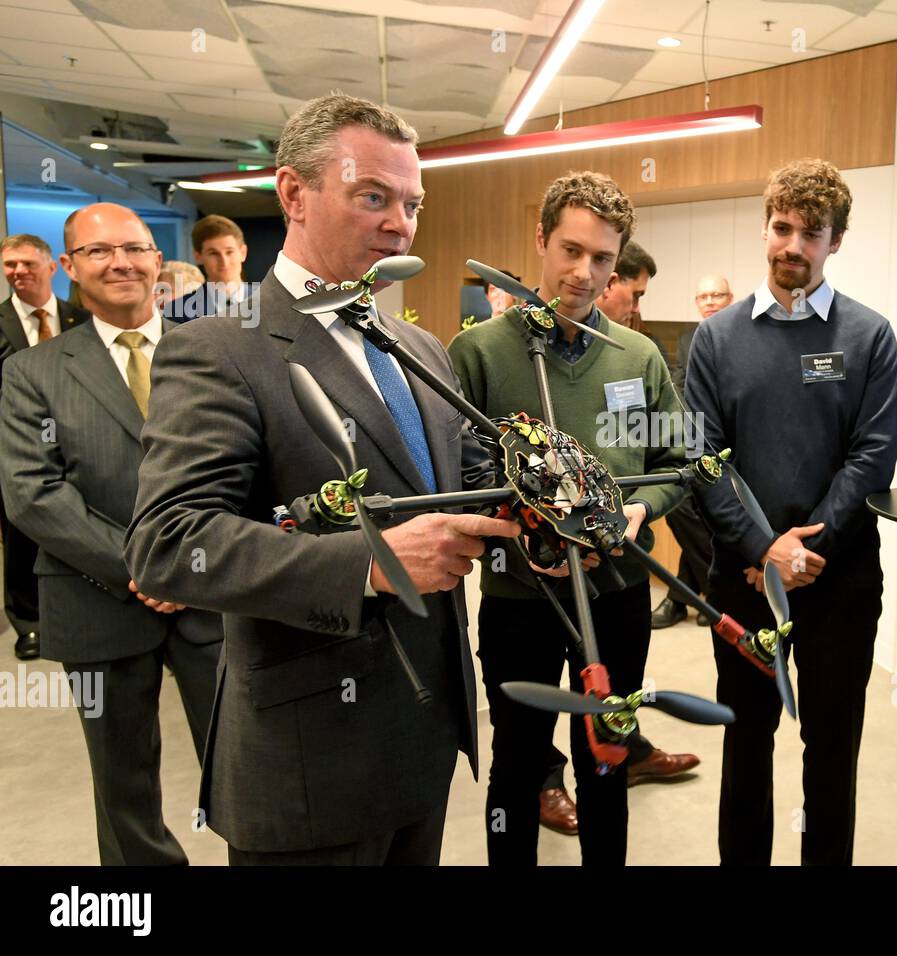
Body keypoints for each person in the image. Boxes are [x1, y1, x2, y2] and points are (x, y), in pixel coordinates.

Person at [125, 93, 518, 865]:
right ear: (293, 194)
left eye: (412, 203)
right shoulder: (220, 350)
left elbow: (466, 482)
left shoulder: (421, 348)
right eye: (372, 196)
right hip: (308, 759)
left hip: (424, 735)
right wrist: (368, 563)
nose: (400, 225)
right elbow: (168, 543)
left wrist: (537, 518)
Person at [449, 171, 689, 866]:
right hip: (519, 597)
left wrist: (638, 512)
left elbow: (678, 461)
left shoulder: (639, 357)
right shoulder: (480, 351)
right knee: (517, 763)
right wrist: (532, 531)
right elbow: (461, 475)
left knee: (606, 758)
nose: (584, 273)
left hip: (614, 598)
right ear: (540, 241)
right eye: (571, 251)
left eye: (603, 259)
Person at [687, 158, 897, 865]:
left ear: (835, 242)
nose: (793, 245)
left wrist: (805, 553)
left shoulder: (870, 338)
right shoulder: (716, 340)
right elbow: (703, 458)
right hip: (744, 585)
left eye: (812, 233)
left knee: (832, 749)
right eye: (782, 227)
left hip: (836, 584)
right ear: (764, 227)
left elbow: (873, 457)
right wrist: (761, 551)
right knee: (745, 740)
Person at [0, 204, 223, 864]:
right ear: (68, 268)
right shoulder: (31, 372)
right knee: (122, 781)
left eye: (135, 248)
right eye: (99, 252)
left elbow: (248, 466)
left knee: (248, 760)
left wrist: (199, 562)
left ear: (158, 261)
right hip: (98, 597)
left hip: (216, 592)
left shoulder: (213, 350)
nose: (121, 261)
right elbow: (32, 493)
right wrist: (144, 568)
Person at [0, 233, 90, 660]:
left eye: (25, 264)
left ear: (51, 266)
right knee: (22, 536)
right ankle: (28, 622)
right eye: (9, 266)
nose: (17, 272)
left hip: (78, 441)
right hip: (19, 444)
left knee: (77, 521)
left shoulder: (81, 319)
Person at [650, 273, 734, 630]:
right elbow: (680, 386)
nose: (710, 301)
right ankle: (711, 592)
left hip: (730, 446)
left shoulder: (741, 337)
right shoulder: (688, 338)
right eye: (704, 297)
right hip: (694, 441)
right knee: (684, 509)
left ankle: (683, 596)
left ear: (731, 298)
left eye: (717, 295)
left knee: (704, 514)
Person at [171, 215, 252, 322]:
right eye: (213, 253)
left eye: (229, 252)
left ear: (243, 253)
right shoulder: (178, 311)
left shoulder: (268, 303)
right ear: (198, 257)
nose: (224, 261)